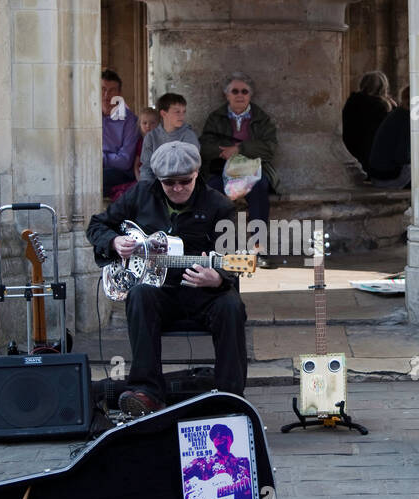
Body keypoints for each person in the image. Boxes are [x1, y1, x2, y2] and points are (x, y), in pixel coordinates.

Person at [87, 141, 248, 416]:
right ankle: (147, 393)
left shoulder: (219, 205)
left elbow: (231, 257)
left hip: (202, 292)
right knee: (138, 295)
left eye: (184, 181)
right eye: (168, 183)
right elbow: (97, 225)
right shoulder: (140, 194)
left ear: (196, 174)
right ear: (158, 180)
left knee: (231, 306)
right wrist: (114, 242)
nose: (177, 188)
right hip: (158, 291)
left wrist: (218, 278)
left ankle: (229, 397)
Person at [199, 73, 279, 262]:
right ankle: (216, 245)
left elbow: (270, 147)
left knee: (261, 187)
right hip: (222, 170)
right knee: (212, 190)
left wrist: (239, 149)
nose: (240, 95)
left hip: (252, 171)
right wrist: (222, 151)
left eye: (244, 91)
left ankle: (259, 248)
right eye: (235, 91)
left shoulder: (261, 118)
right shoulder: (216, 117)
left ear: (250, 95)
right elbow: (204, 145)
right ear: (227, 94)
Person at [138, 94, 200, 184]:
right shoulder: (151, 137)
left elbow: (190, 168)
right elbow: (146, 168)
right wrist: (145, 187)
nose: (181, 116)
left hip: (182, 184)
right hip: (155, 184)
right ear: (163, 113)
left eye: (184, 112)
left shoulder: (189, 136)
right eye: (177, 112)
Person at [341, 70, 394, 174]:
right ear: (383, 87)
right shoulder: (381, 106)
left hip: (351, 151)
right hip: (371, 156)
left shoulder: (352, 101)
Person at [100, 68, 140, 194]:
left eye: (112, 91)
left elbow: (125, 161)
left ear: (119, 93)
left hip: (119, 173)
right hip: (94, 168)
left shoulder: (130, 121)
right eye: (103, 89)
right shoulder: (87, 117)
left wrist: (99, 158)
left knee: (97, 178)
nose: (107, 95)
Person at [367, 84, 412, 187]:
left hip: (377, 175)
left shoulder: (398, 113)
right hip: (388, 178)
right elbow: (402, 156)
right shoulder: (405, 118)